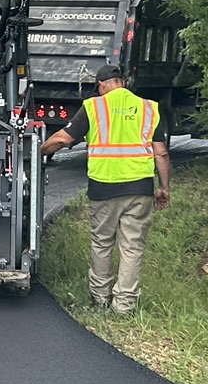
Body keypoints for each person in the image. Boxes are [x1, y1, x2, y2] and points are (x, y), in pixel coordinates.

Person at [41, 65, 171, 315]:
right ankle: (124, 305)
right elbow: (161, 152)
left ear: (101, 85)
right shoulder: (149, 108)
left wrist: (39, 152)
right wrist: (164, 187)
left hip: (104, 188)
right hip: (140, 188)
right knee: (132, 247)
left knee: (102, 243)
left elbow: (63, 139)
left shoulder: (94, 107)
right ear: (122, 82)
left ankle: (100, 298)